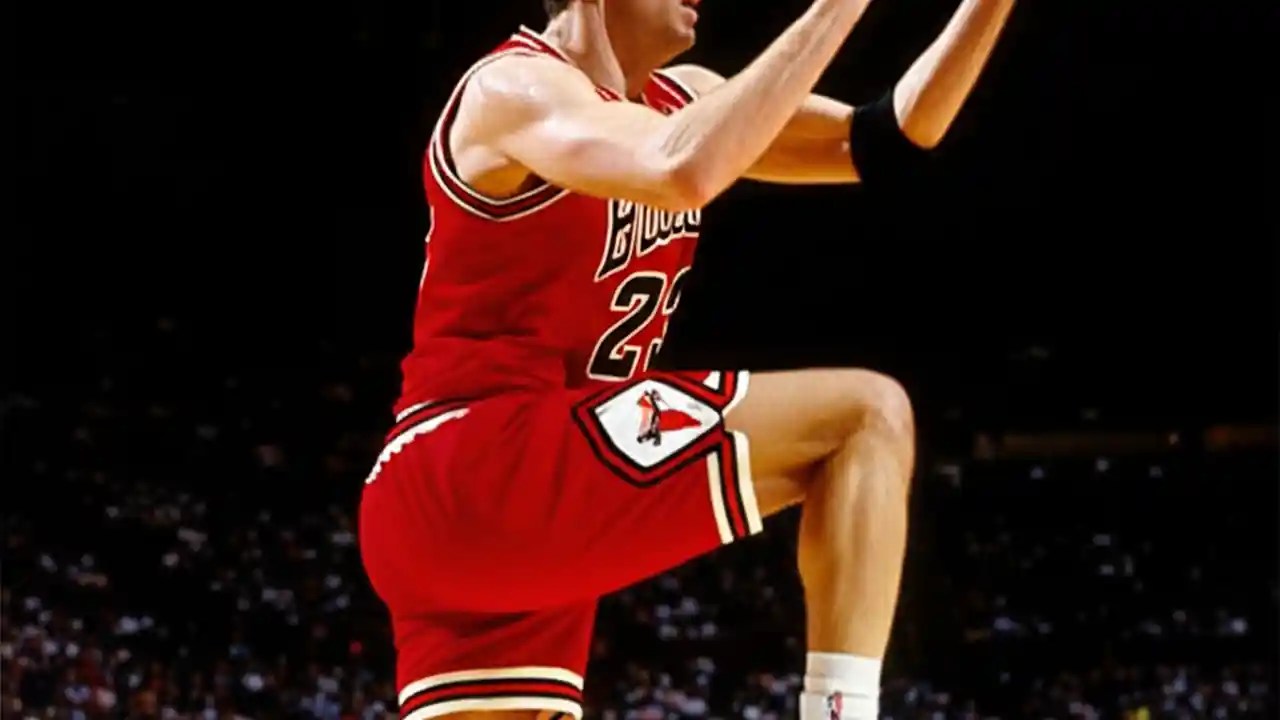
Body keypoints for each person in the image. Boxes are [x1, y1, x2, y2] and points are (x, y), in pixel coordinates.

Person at [358, 0, 1017, 718]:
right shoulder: (514, 89)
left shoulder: (688, 99)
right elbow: (682, 167)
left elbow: (888, 139)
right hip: (477, 461)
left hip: (532, 501)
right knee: (865, 416)